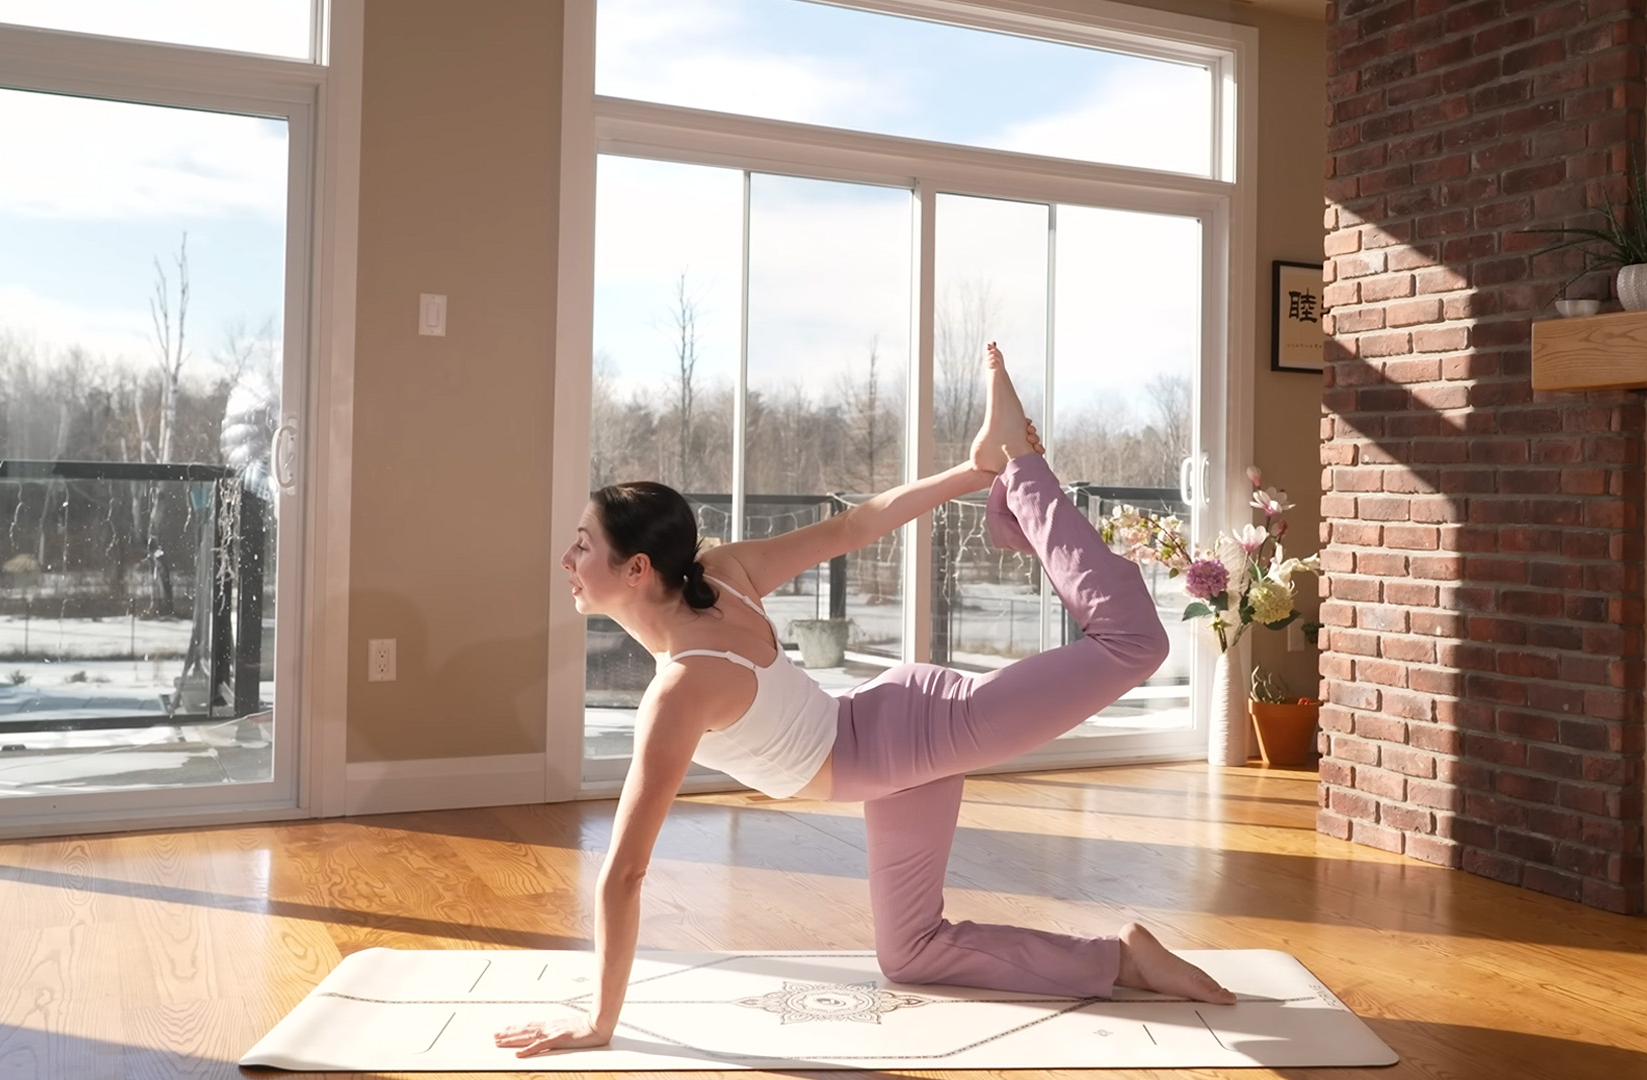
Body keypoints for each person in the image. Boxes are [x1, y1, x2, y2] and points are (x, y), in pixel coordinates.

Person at [496, 343, 1233, 1059]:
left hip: (912, 735)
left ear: (635, 569)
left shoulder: (682, 683)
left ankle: (1024, 470)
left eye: (582, 545)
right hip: (887, 752)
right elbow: (855, 525)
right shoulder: (719, 575)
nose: (567, 558)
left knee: (1134, 644)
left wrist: (600, 1020)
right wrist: (965, 471)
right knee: (910, 954)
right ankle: (1123, 959)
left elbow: (625, 872)